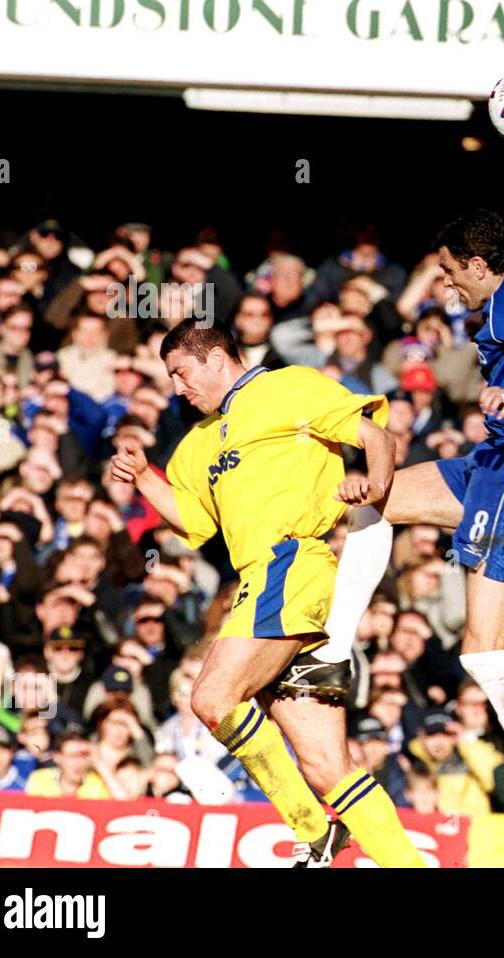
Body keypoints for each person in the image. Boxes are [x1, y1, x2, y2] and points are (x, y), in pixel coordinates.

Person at [279, 210, 504, 868]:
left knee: (484, 655)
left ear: (481, 266)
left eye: (451, 274)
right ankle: (333, 651)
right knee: (374, 494)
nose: (446, 286)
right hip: (493, 465)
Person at [109, 321, 422, 868]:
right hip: (257, 580)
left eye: (181, 373)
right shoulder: (198, 442)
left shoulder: (289, 386)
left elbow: (377, 436)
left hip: (290, 563)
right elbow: (195, 522)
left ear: (214, 359)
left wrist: (373, 485)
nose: (177, 388)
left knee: (211, 699)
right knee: (328, 767)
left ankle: (313, 831)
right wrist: (143, 478)